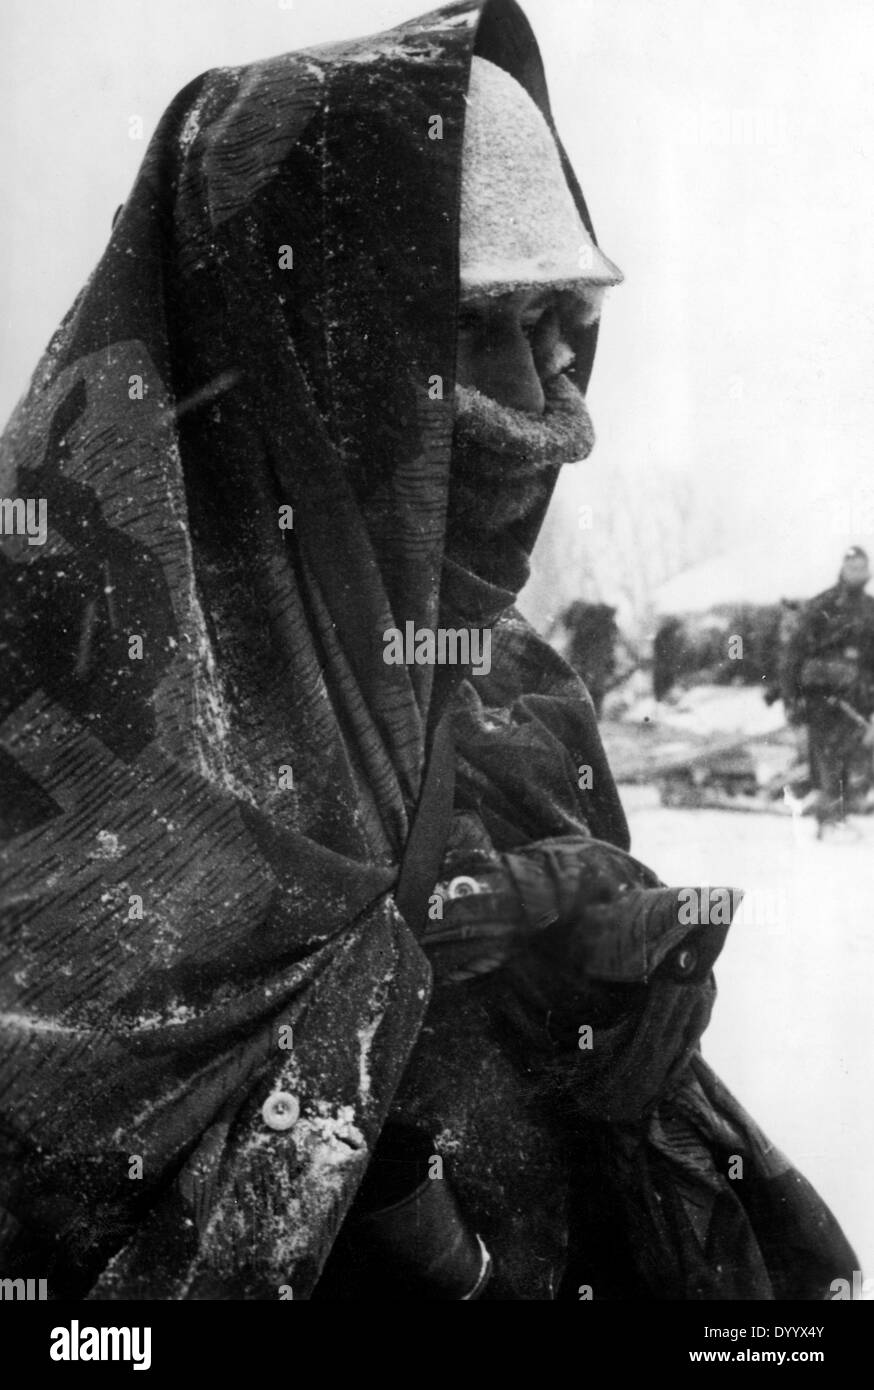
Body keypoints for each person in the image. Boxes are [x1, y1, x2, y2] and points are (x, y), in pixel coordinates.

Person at [0, 0, 857, 1300]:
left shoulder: (523, 696)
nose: (545, 412)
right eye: (471, 329)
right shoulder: (60, 724)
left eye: (560, 332)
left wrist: (589, 1023)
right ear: (290, 353)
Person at [785, 546, 874, 835]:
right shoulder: (822, 605)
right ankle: (828, 821)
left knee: (851, 759)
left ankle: (839, 816)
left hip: (858, 697)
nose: (858, 573)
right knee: (826, 758)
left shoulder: (870, 609)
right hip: (822, 696)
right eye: (853, 567)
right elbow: (794, 655)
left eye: (863, 567)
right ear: (843, 568)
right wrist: (791, 699)